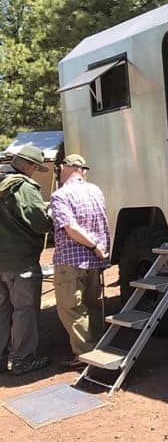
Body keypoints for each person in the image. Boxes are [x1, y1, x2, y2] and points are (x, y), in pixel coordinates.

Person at [49, 154, 110, 367]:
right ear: (82, 170)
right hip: (95, 260)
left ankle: (85, 356)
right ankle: (100, 347)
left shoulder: (60, 195)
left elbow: (71, 228)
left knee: (72, 309)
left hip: (71, 260)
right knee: (93, 304)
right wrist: (98, 249)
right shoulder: (96, 191)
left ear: (65, 168)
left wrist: (91, 245)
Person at [0, 145, 53, 375]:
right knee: (24, 311)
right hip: (21, 261)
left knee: (2, 311)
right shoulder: (24, 187)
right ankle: (22, 359)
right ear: (30, 165)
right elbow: (39, 222)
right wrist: (50, 217)